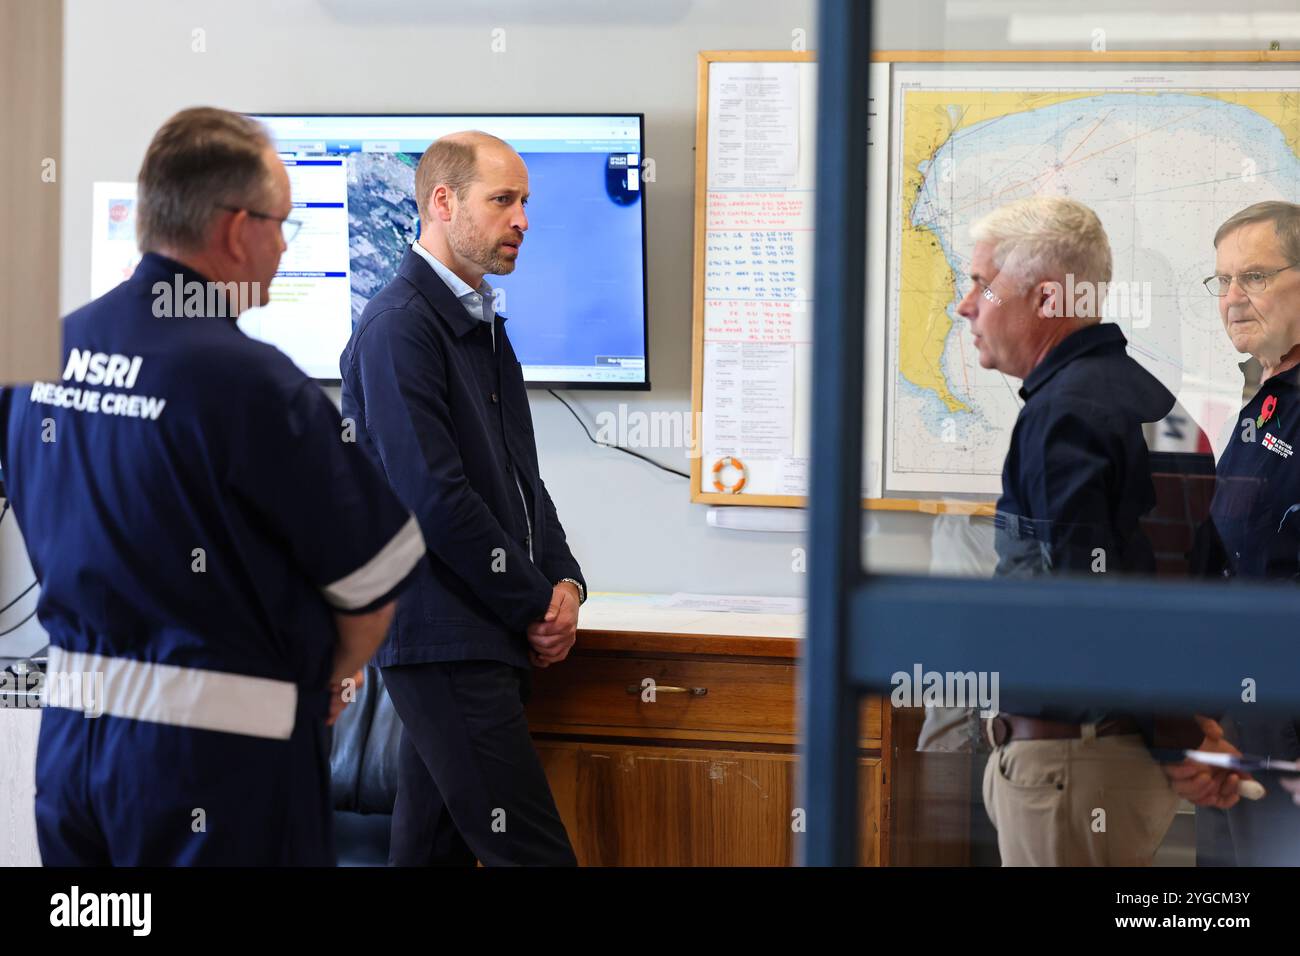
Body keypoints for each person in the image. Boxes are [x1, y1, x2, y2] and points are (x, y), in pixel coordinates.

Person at [0, 107, 425, 865]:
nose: (285, 247)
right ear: (235, 229)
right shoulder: (253, 387)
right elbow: (376, 580)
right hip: (216, 768)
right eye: (282, 224)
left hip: (71, 755)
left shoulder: (42, 353)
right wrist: (331, 676)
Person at [340, 131, 586, 866]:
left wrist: (567, 581)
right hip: (446, 638)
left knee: (429, 852)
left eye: (525, 202)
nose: (523, 220)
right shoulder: (397, 329)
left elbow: (521, 481)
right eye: (503, 200)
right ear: (442, 203)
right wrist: (533, 604)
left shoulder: (479, 319)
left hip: (479, 634)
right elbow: (434, 498)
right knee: (535, 857)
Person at [958, 195, 1197, 866]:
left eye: (982, 283)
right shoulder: (1143, 393)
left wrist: (1175, 734)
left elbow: (1088, 599)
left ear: (1045, 298)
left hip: (1073, 763)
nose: (965, 304)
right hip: (1111, 758)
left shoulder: (1065, 414)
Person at [1174, 201, 1300, 866]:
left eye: (1253, 277)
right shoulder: (1267, 393)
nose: (1231, 299)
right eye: (1221, 281)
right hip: (1235, 714)